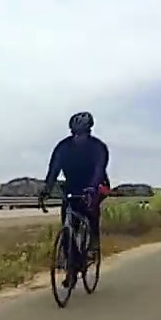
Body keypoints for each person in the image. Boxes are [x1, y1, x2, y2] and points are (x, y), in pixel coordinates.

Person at [38, 111, 111, 285]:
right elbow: (54, 169)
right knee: (68, 224)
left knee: (91, 208)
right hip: (72, 186)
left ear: (89, 132)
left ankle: (93, 243)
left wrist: (92, 188)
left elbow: (99, 169)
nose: (79, 138)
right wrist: (46, 189)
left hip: (96, 184)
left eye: (83, 134)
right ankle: (72, 266)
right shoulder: (63, 147)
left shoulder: (98, 147)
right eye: (76, 134)